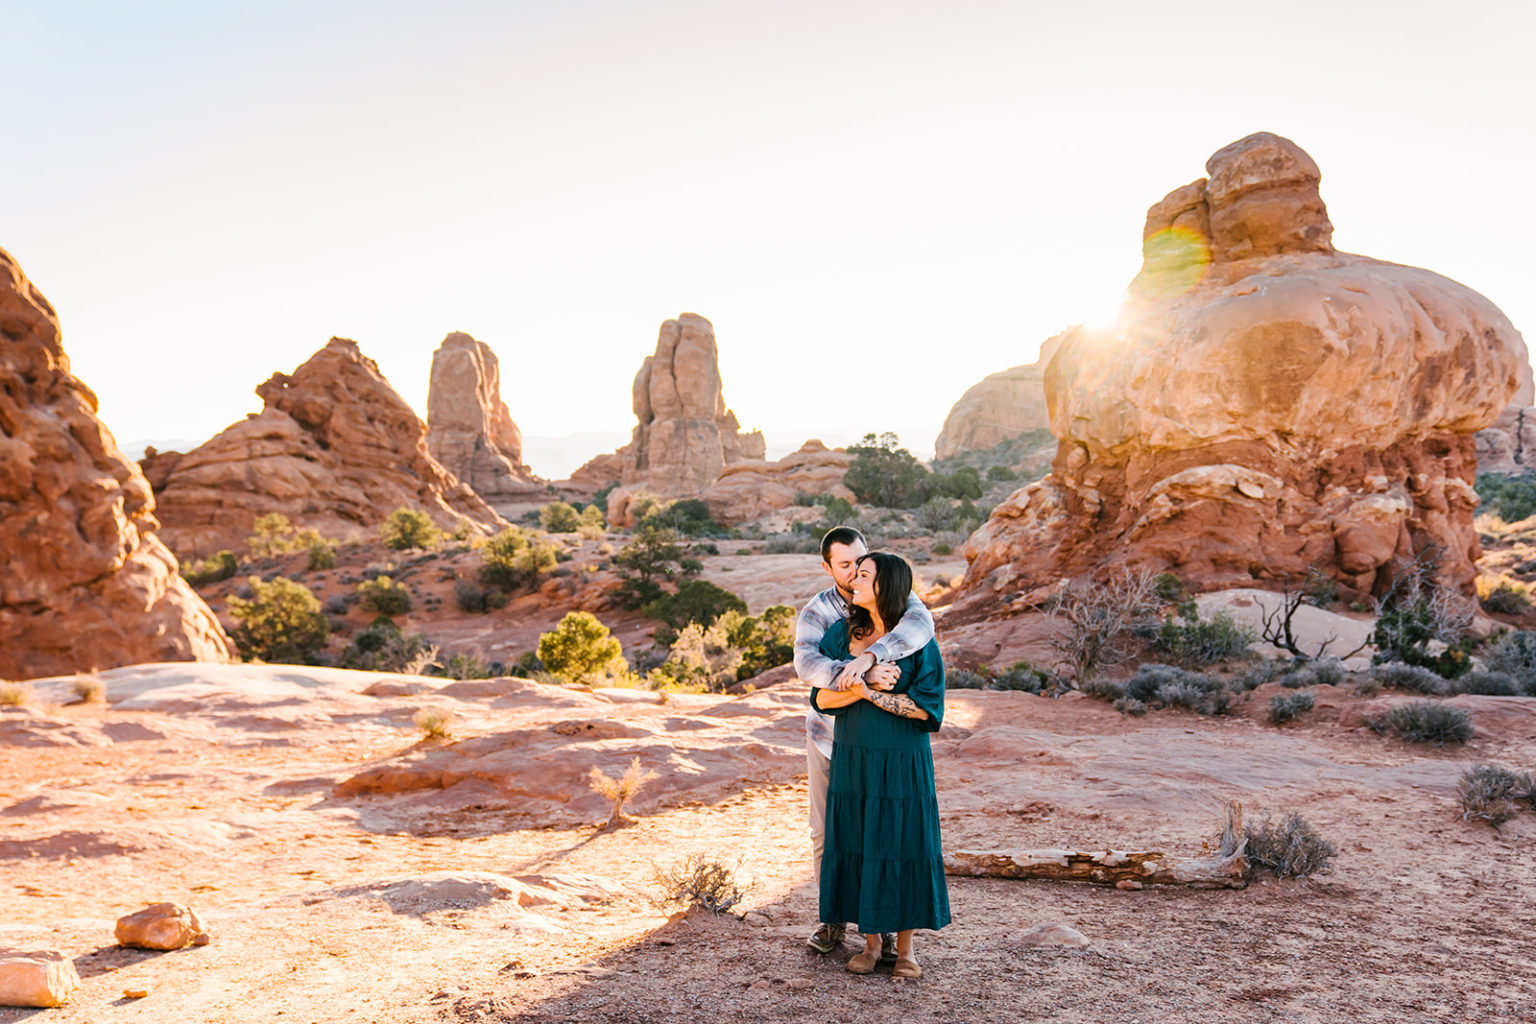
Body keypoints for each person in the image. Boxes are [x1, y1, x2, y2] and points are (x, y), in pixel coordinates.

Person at [796, 527, 934, 959]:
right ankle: (834, 918)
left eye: (861, 563)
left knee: (884, 834)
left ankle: (883, 926)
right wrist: (864, 677)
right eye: (845, 566)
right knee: (830, 833)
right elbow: (808, 667)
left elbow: (919, 629)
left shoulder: (902, 602)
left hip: (884, 744)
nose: (854, 572)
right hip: (829, 735)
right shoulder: (818, 613)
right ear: (827, 567)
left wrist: (873, 657)